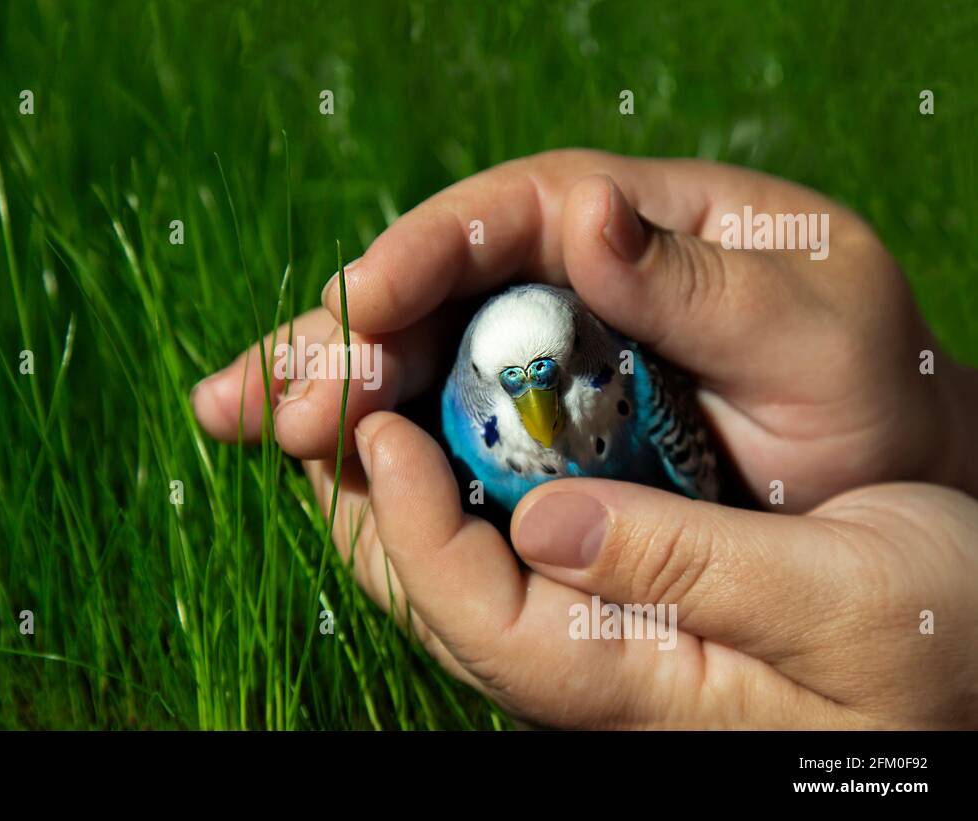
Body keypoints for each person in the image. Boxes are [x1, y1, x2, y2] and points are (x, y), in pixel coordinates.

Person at [190, 149, 978, 728]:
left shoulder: (646, 395)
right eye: (509, 387)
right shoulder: (454, 427)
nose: (541, 410)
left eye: (561, 371)